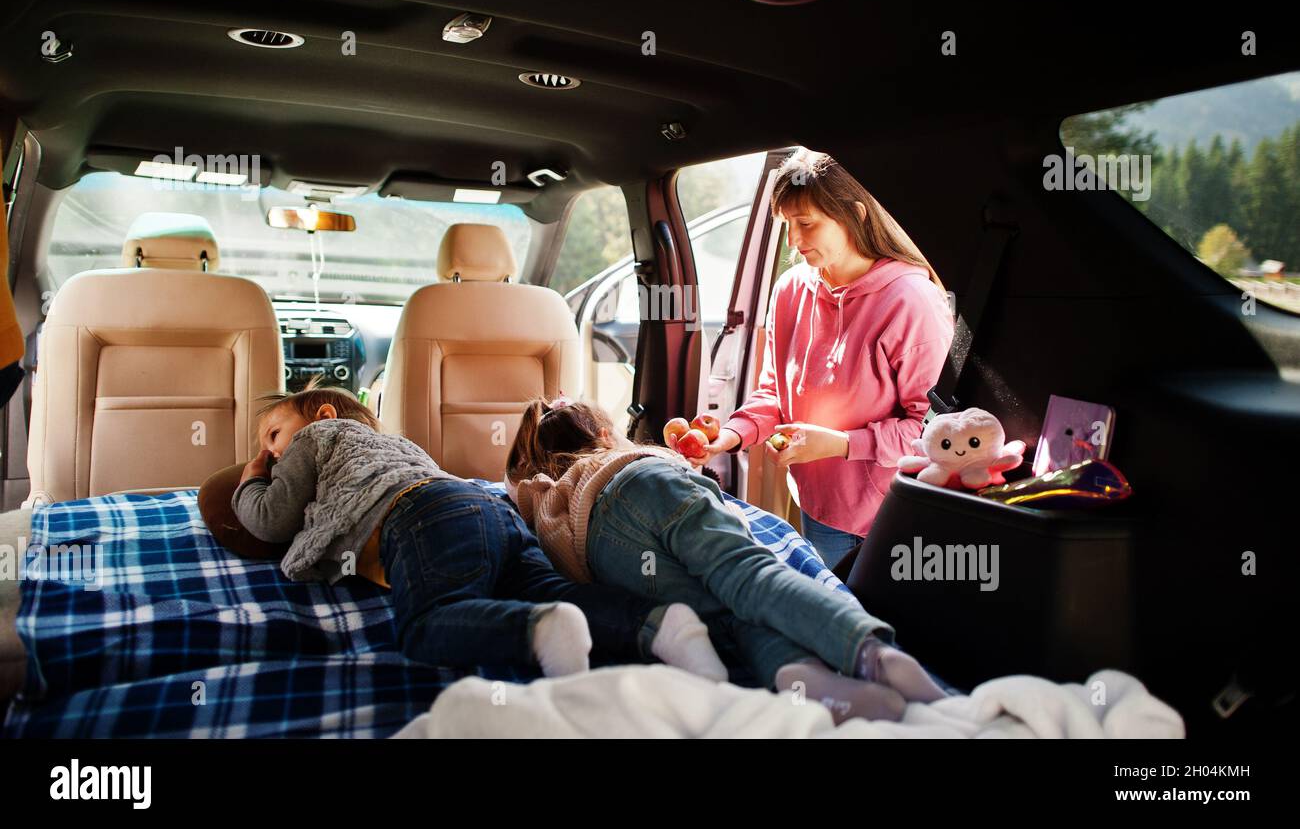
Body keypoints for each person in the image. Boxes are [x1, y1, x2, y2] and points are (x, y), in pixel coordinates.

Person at [231, 376, 726, 681]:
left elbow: (271, 520)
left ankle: (536, 631)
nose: (271, 451)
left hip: (420, 517)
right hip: (484, 511)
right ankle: (663, 625)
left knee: (427, 623)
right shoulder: (396, 448)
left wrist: (251, 480)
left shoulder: (317, 438)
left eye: (273, 435)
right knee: (546, 588)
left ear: (322, 415)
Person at [506, 396, 949, 723]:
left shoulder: (548, 502)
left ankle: (802, 678)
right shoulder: (628, 458)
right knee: (748, 577)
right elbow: (678, 487)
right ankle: (873, 654)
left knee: (723, 620)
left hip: (604, 549)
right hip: (645, 486)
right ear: (604, 435)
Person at [691, 148, 954, 569]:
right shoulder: (792, 289)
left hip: (884, 518)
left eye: (806, 223)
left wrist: (842, 445)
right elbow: (773, 393)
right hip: (817, 506)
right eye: (787, 225)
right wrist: (729, 436)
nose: (793, 242)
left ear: (856, 214)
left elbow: (935, 433)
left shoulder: (910, 301)